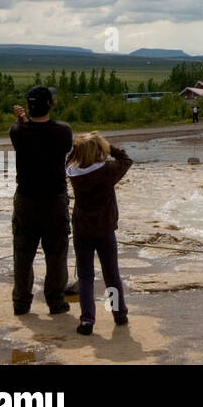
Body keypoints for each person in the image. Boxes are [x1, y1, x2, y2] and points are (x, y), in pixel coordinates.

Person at [9, 86, 73, 316]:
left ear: (28, 106)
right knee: (56, 253)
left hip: (26, 199)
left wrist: (21, 119)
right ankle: (56, 302)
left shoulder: (17, 131)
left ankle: (21, 303)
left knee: (23, 253)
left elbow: (26, 131)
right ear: (50, 104)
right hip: (54, 199)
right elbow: (62, 146)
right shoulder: (63, 131)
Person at [66, 133, 131, 335]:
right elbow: (126, 160)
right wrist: (109, 146)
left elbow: (69, 159)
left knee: (85, 276)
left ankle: (87, 320)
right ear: (99, 151)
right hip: (105, 229)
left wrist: (77, 148)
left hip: (82, 229)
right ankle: (118, 314)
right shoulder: (107, 171)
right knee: (111, 274)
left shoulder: (73, 172)